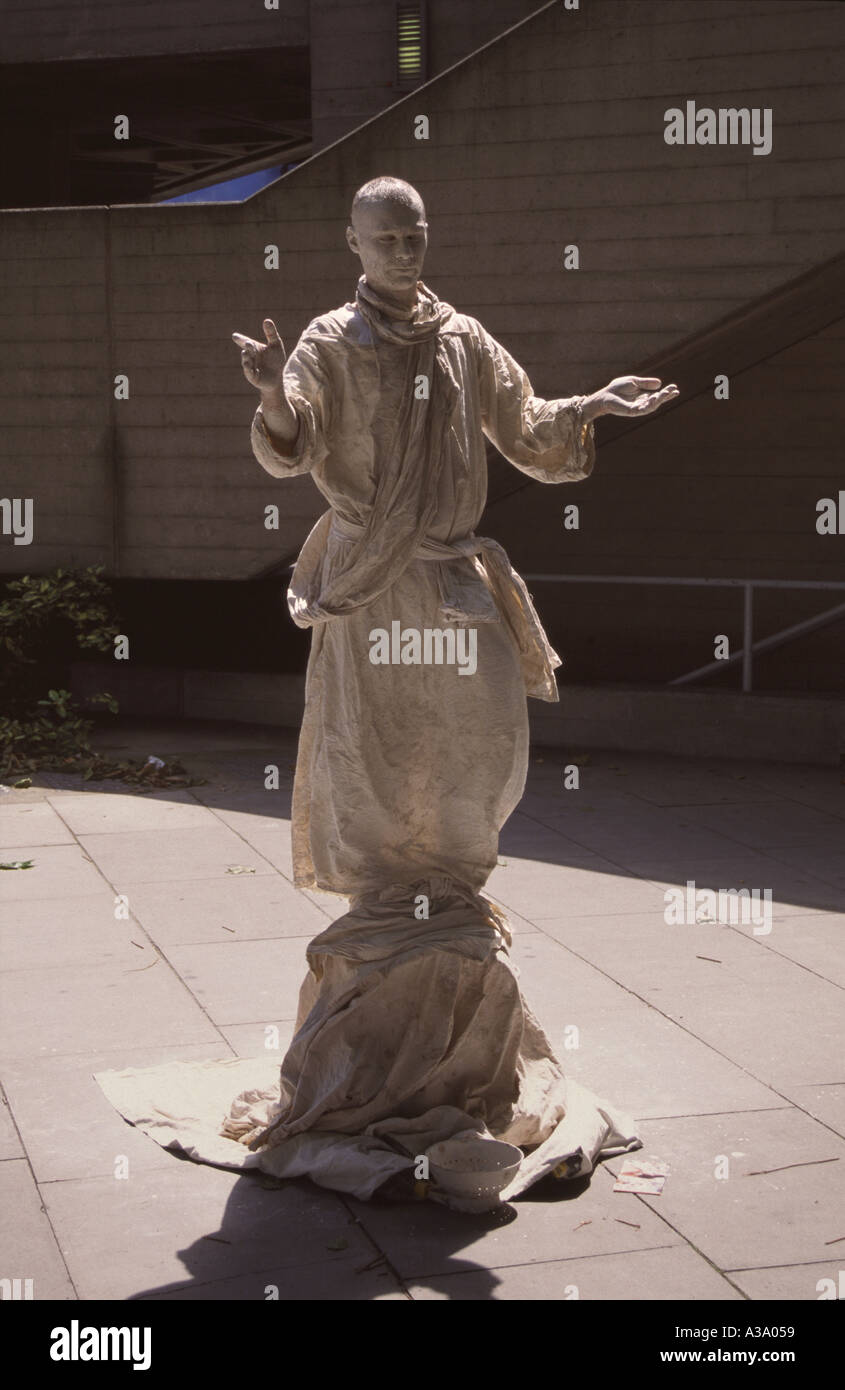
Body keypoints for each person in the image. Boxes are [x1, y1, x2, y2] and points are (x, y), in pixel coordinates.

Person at [222, 176, 679, 1205]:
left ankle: (446, 912)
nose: (401, 247)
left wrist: (591, 407)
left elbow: (524, 422)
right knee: (373, 760)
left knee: (471, 753)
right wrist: (267, 396)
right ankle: (392, 920)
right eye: (383, 234)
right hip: (368, 581)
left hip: (448, 577)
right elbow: (290, 440)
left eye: (414, 231)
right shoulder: (328, 341)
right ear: (352, 240)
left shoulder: (462, 337)